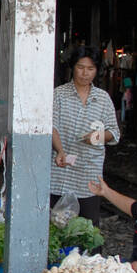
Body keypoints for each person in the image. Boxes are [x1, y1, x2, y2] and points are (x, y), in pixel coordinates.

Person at [50, 45, 119, 225]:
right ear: (73, 67)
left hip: (88, 175)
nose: (85, 73)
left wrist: (98, 137)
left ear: (96, 71)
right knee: (55, 227)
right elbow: (51, 126)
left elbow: (114, 132)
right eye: (80, 67)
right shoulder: (59, 94)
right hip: (59, 172)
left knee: (87, 229)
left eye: (90, 69)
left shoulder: (103, 99)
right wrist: (60, 150)